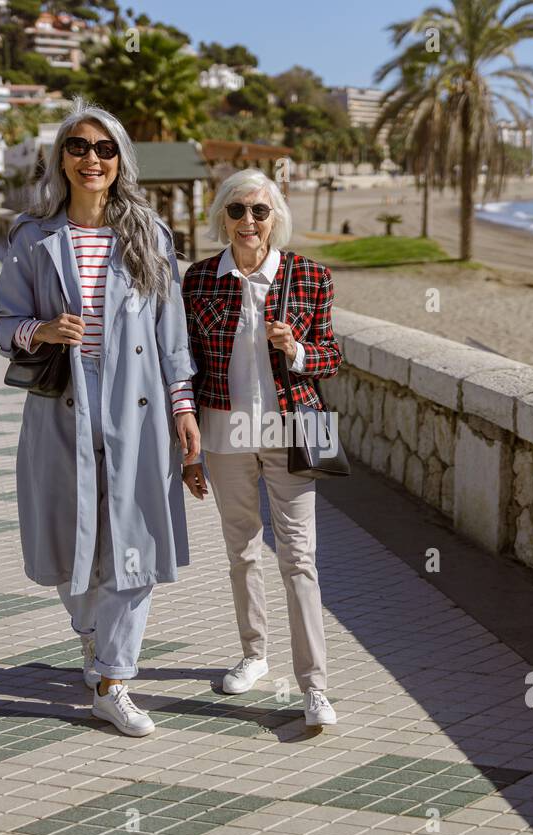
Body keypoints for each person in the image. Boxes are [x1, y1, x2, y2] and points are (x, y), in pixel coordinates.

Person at [0, 97, 200, 736]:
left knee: (136, 544)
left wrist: (183, 410)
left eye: (105, 149)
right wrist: (42, 329)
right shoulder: (33, 236)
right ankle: (90, 633)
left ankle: (114, 680)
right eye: (78, 147)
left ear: (120, 160)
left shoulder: (149, 234)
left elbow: (172, 334)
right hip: (62, 413)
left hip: (138, 414)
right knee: (69, 542)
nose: (92, 159)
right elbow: (0, 325)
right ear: (61, 158)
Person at [180, 169, 344, 728]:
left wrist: (297, 350)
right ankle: (254, 655)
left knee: (299, 558)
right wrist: (189, 450)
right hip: (224, 434)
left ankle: (315, 689)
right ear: (221, 216)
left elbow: (332, 357)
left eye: (260, 211)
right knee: (242, 549)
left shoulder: (310, 277)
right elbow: (185, 365)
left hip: (291, 431)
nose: (248, 221)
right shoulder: (200, 280)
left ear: (276, 218)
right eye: (237, 210)